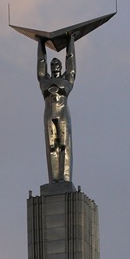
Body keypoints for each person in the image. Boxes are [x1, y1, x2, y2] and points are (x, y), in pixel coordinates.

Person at [36, 35, 76, 183]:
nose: (55, 67)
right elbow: (41, 63)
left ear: (60, 67)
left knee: (64, 145)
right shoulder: (45, 80)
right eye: (52, 66)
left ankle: (64, 179)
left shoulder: (66, 80)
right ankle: (53, 180)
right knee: (52, 146)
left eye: (57, 65)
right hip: (49, 113)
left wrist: (70, 40)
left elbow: (71, 64)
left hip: (63, 113)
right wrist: (41, 43)